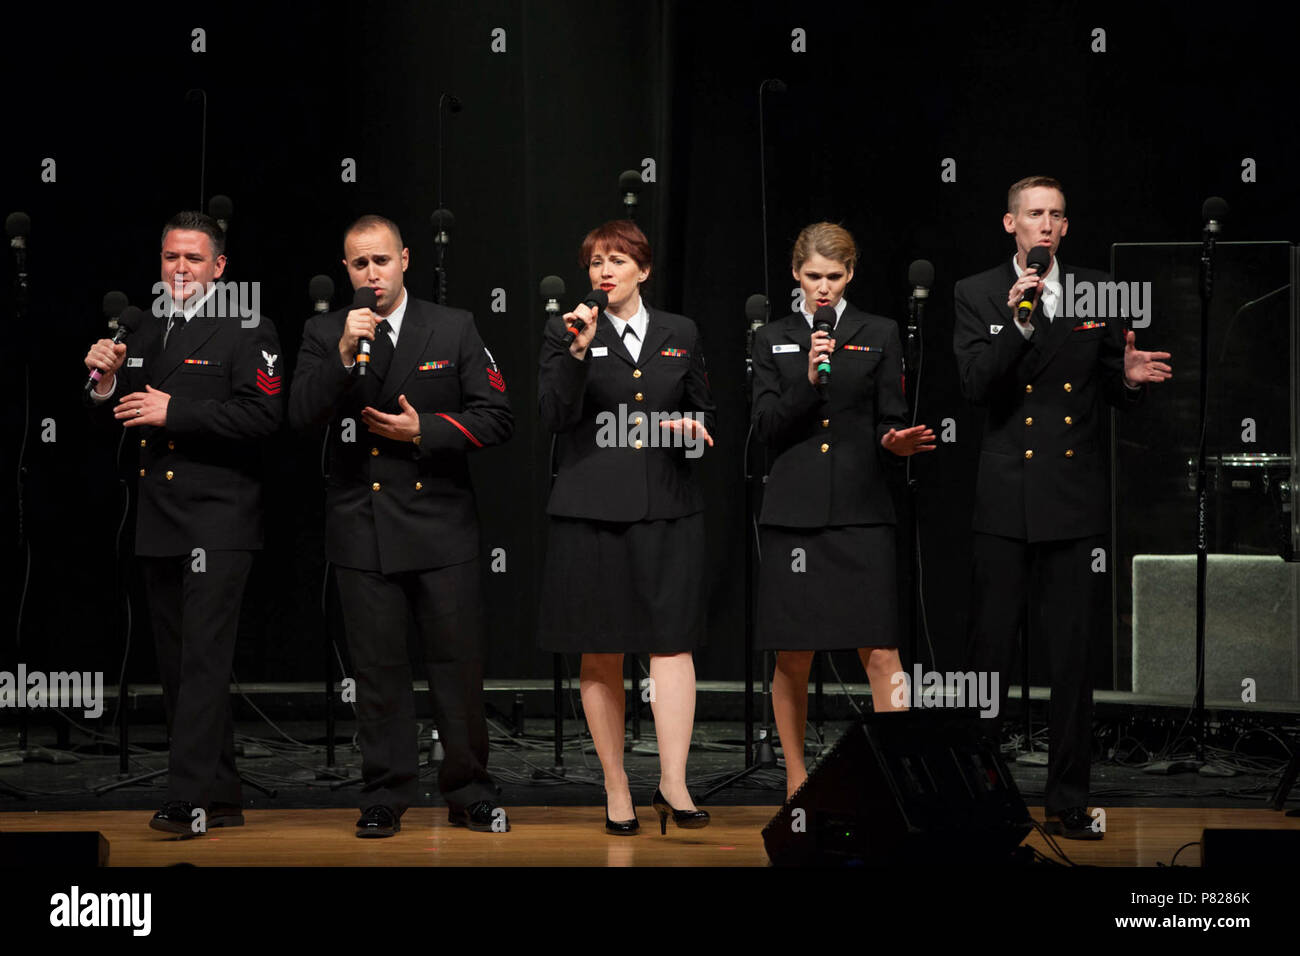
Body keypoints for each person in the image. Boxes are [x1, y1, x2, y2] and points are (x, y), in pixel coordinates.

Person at [953, 176, 1172, 840]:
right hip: (1004, 500)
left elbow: (1110, 380)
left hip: (1073, 503)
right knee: (989, 658)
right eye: (1033, 215)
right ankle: (980, 800)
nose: (1045, 225)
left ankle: (1068, 799)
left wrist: (1128, 383)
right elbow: (974, 385)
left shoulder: (1096, 290)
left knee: (1073, 660)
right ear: (1010, 224)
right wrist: (1019, 322)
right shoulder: (976, 292)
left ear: (1066, 228)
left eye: (1055, 216)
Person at [288, 214, 513, 838]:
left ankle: (469, 789)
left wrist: (426, 431)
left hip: (441, 522)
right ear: (347, 270)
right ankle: (385, 791)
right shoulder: (324, 332)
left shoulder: (454, 325)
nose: (371, 275)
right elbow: (299, 414)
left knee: (457, 666)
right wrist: (339, 356)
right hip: (362, 522)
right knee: (378, 671)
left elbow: (497, 417)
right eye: (359, 265)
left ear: (405, 259)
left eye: (381, 262)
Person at [83, 211, 283, 835]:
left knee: (202, 659)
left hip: (218, 518)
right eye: (171, 257)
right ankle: (220, 795)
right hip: (159, 518)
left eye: (194, 259)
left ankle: (187, 797)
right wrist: (104, 383)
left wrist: (180, 412)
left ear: (219, 268)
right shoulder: (143, 330)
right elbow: (124, 408)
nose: (180, 269)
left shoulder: (249, 327)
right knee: (176, 663)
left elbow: (263, 417)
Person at [537, 220, 716, 835]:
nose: (602, 272)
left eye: (615, 260)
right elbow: (555, 415)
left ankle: (673, 781)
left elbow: (703, 411)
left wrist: (689, 430)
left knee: (672, 643)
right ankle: (616, 785)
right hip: (592, 509)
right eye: (594, 263)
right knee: (602, 645)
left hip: (668, 504)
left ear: (643, 269)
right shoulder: (565, 330)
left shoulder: (681, 332)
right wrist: (578, 352)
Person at [752, 222, 934, 800]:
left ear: (850, 274)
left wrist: (894, 441)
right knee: (793, 651)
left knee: (881, 647)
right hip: (794, 511)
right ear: (795, 275)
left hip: (862, 507)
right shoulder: (772, 336)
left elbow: (890, 414)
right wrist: (807, 379)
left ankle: (896, 776)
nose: (823, 288)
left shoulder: (878, 331)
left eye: (834, 276)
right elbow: (765, 426)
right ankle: (797, 778)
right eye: (813, 276)